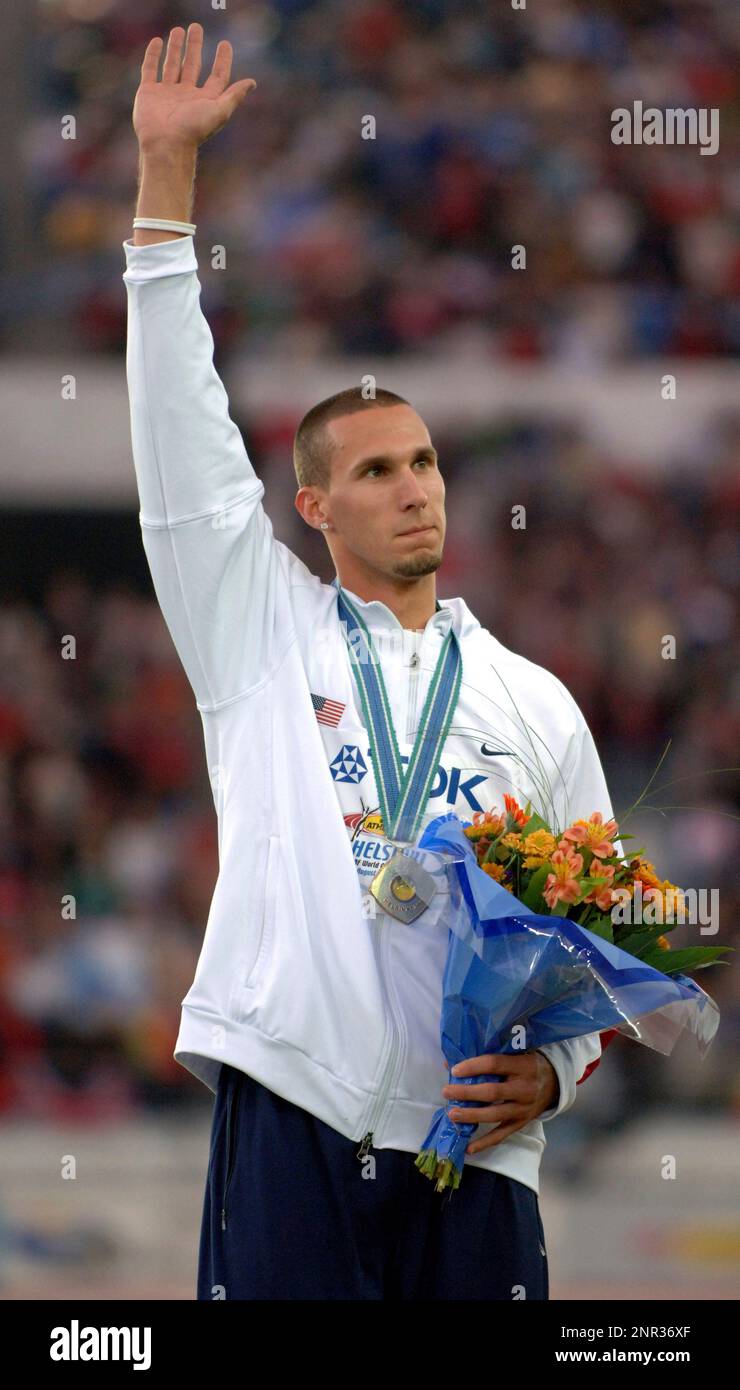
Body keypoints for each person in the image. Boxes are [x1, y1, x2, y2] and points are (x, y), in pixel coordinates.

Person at [123, 23, 620, 1301]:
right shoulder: (258, 630)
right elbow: (180, 437)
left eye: (425, 463)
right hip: (299, 1116)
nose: (413, 490)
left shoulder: (535, 702)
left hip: (479, 1155)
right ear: (313, 508)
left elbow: (601, 938)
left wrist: (555, 1070)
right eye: (374, 471)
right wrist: (164, 188)